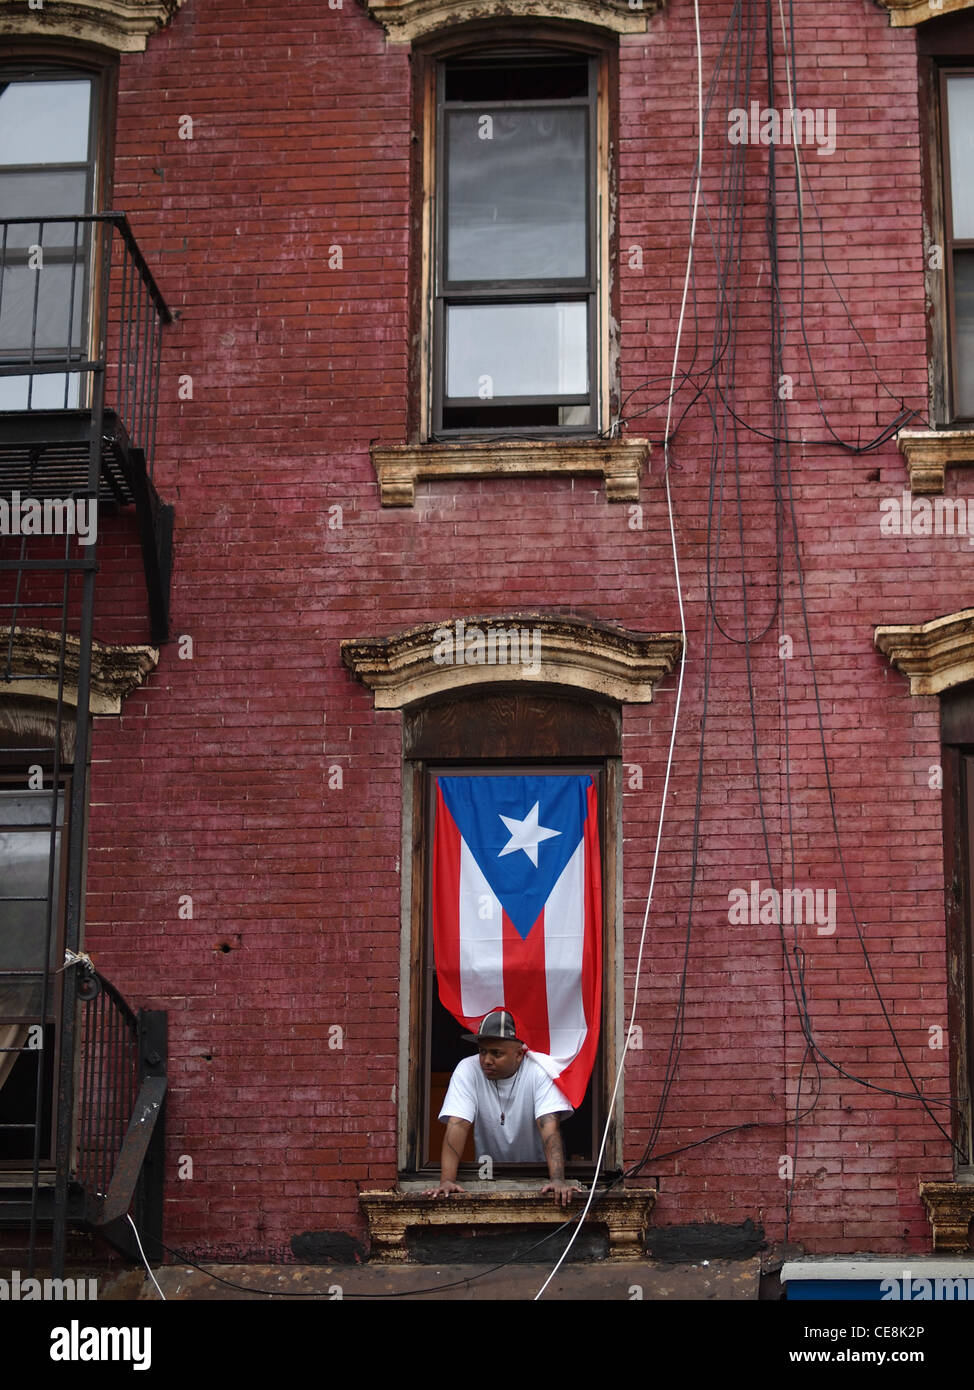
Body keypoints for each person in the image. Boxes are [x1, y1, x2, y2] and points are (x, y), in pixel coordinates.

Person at [425, 1008, 578, 1207]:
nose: (486, 1060)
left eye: (496, 1053)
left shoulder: (539, 1072)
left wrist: (557, 1180)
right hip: (487, 1176)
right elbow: (458, 1124)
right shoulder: (468, 1069)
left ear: (519, 1055)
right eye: (482, 1051)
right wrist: (447, 1181)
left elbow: (549, 1127)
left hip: (537, 1177)